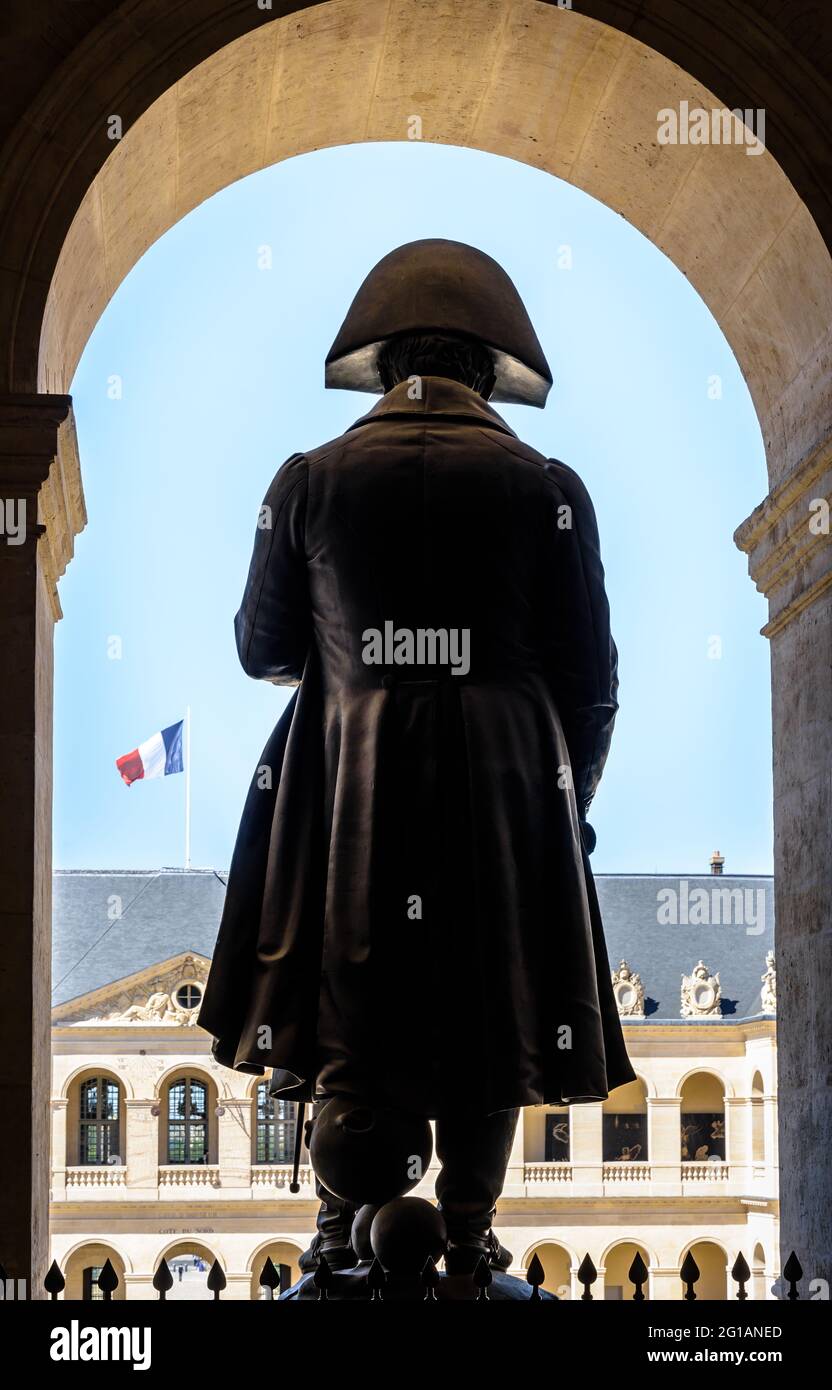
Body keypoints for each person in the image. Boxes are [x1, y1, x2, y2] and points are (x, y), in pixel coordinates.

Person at [198, 239, 635, 1275]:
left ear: (388, 365)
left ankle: (336, 1234)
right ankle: (473, 1241)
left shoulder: (308, 479)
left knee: (349, 1000)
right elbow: (592, 681)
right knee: (490, 1010)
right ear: (489, 373)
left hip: (350, 777)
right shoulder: (546, 485)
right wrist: (561, 812)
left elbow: (263, 651)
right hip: (507, 783)